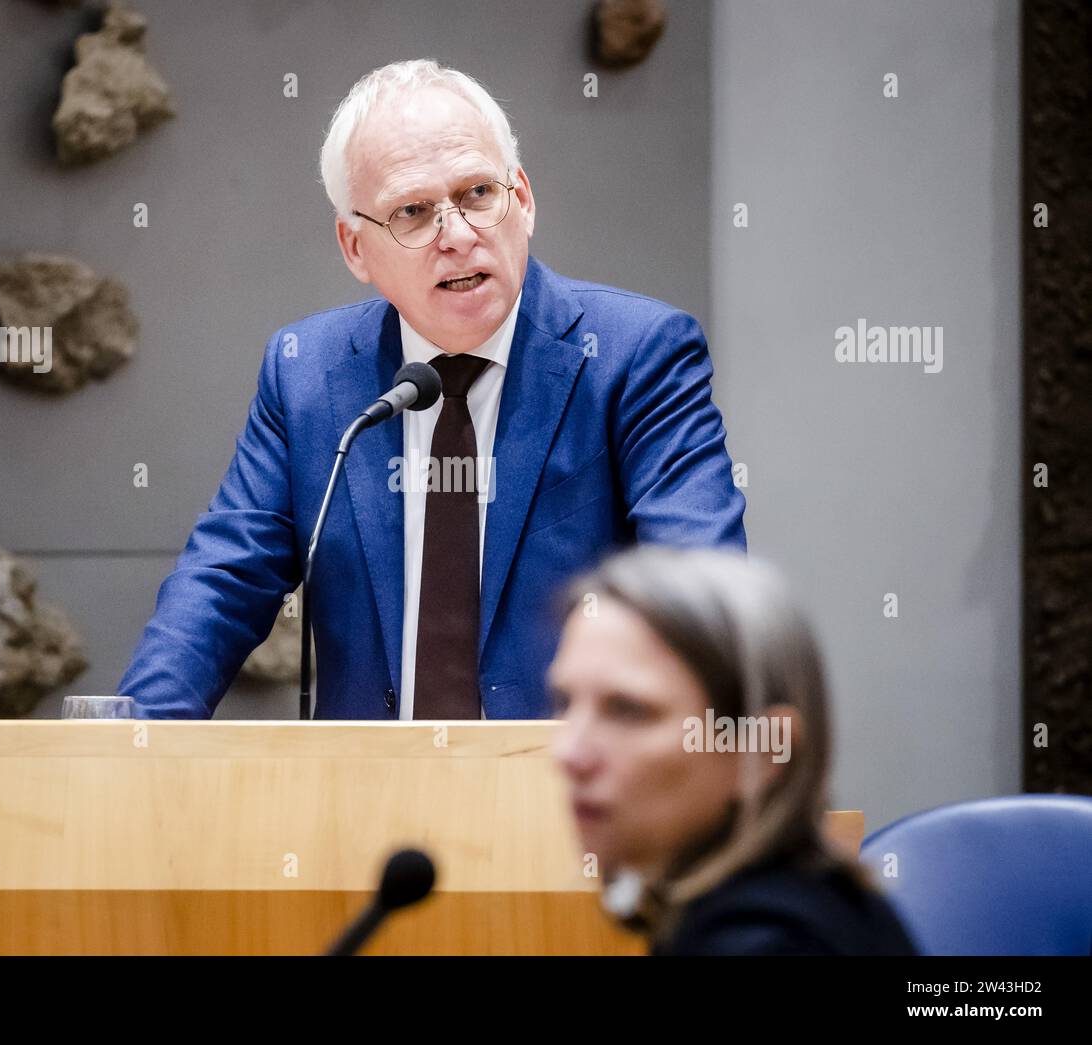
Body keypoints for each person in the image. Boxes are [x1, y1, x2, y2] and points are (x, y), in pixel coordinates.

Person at [118, 59, 745, 720]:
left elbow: (702, 597)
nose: (458, 235)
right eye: (413, 212)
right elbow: (221, 584)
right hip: (372, 809)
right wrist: (124, 750)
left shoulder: (635, 355)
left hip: (573, 801)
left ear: (522, 200)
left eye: (478, 193)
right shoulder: (308, 375)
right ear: (355, 246)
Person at [549, 546, 918, 955]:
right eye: (564, 703)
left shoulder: (767, 945)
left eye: (629, 711)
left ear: (762, 751)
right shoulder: (815, 906)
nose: (567, 752)